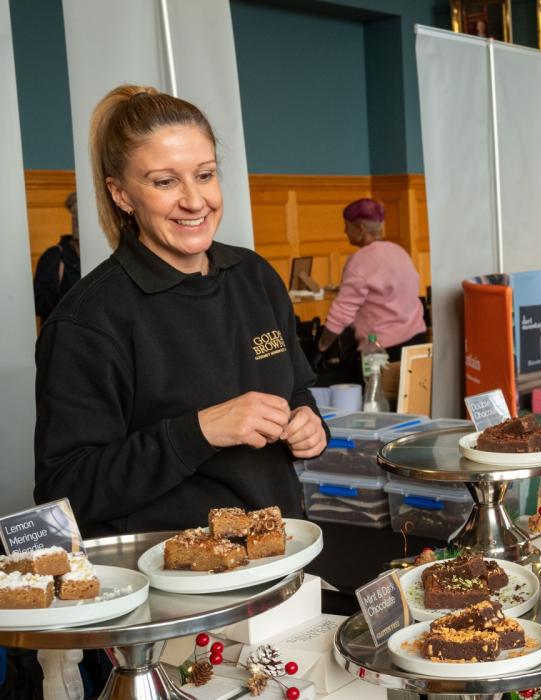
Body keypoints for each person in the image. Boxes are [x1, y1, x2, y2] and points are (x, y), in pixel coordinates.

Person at [34, 85, 327, 536]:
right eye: (164, 182)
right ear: (122, 195)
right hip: (174, 580)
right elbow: (66, 490)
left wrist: (309, 423)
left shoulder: (254, 276)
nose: (194, 201)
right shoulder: (89, 321)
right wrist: (199, 431)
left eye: (205, 175)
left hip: (282, 549)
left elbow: (298, 390)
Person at [317, 198, 426, 365]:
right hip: (417, 341)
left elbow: (342, 311)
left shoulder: (360, 260)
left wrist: (321, 347)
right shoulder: (399, 252)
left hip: (383, 350)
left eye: (347, 226)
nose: (344, 231)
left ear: (360, 229)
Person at [32, 192, 81, 323]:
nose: (76, 223)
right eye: (75, 218)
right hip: (62, 336)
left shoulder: (106, 255)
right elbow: (39, 304)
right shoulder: (54, 256)